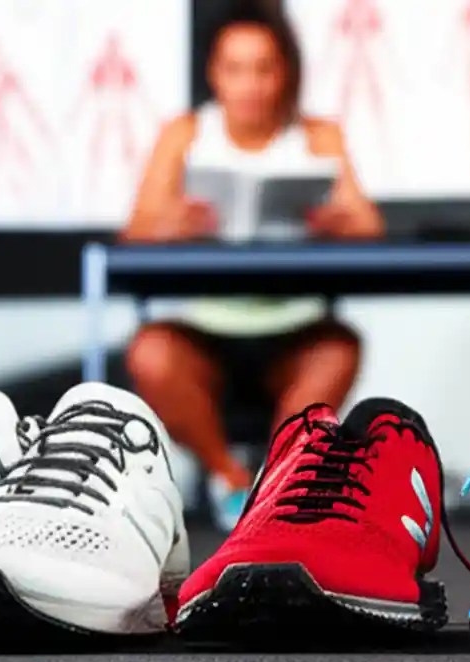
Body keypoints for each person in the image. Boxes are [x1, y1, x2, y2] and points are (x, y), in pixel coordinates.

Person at [121, 0, 384, 530]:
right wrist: (173, 223)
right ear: (214, 74)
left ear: (285, 72)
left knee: (339, 348)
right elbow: (134, 232)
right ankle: (228, 478)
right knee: (150, 354)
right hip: (207, 330)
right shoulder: (185, 135)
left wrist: (335, 222)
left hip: (294, 328)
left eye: (264, 68)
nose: (251, 85)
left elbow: (368, 226)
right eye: (236, 69)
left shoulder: (317, 136)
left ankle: (277, 481)